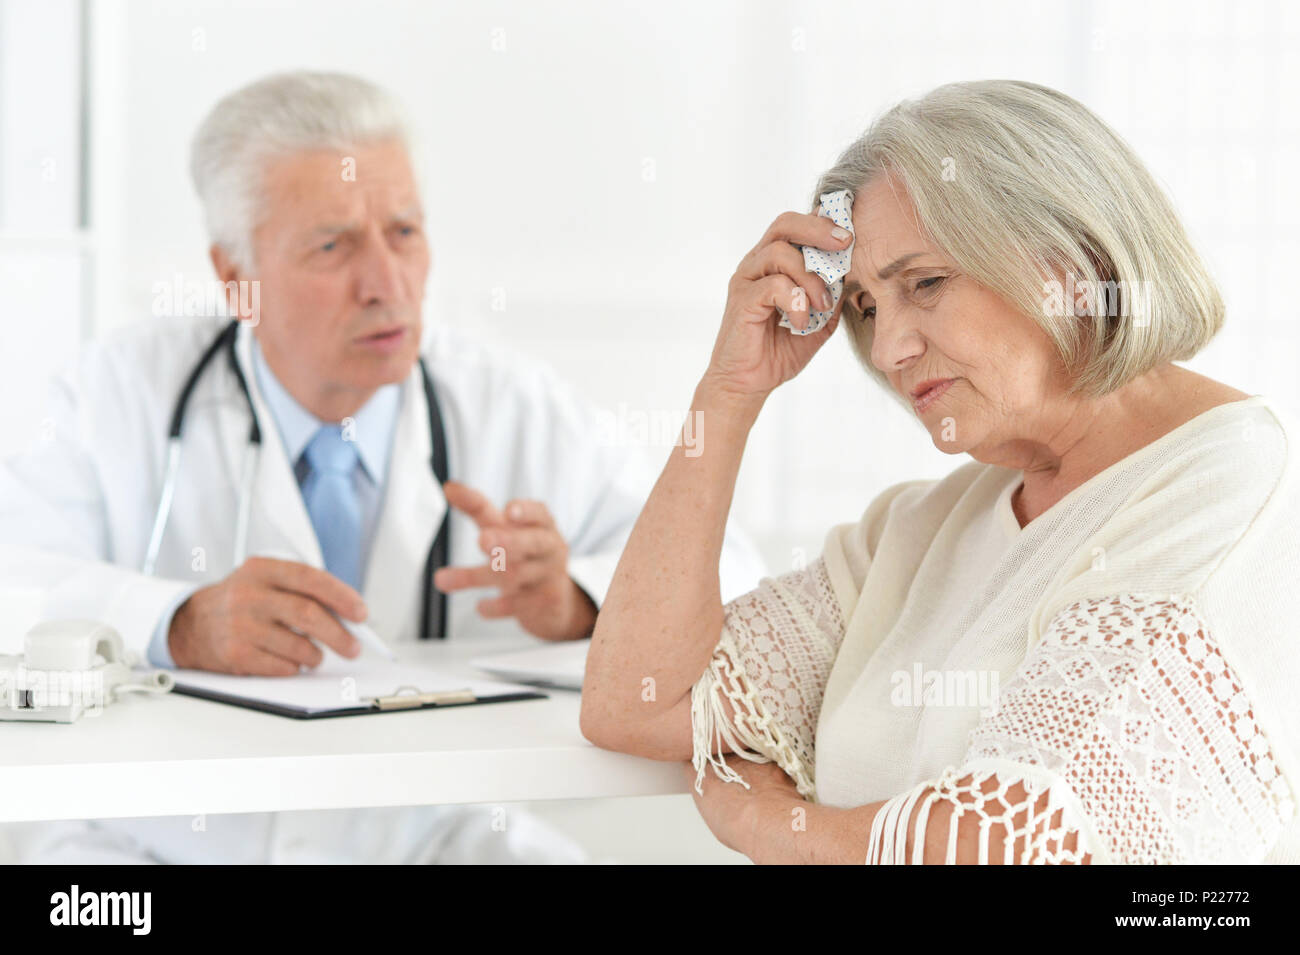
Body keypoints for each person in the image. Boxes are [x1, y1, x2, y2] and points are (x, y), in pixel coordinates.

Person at [0, 70, 765, 864]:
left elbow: (739, 580)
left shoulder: (511, 404)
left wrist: (580, 601)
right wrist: (177, 623)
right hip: (149, 847)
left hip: (424, 841)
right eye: (332, 246)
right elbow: (9, 582)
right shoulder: (117, 394)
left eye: (403, 232)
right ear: (237, 280)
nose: (385, 284)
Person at [580, 79, 1300, 864]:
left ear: (1070, 255)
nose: (888, 348)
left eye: (923, 283)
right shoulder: (921, 529)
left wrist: (766, 824)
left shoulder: (1238, 493)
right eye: (865, 307)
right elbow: (638, 703)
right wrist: (728, 395)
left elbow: (1010, 847)